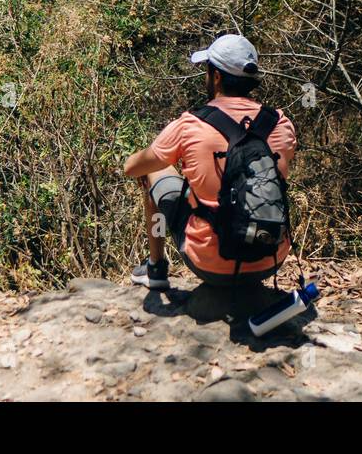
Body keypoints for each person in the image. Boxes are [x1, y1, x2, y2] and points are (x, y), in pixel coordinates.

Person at [122, 33, 297, 290]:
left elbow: (131, 168)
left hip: (210, 263)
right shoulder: (281, 122)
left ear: (216, 77)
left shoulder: (191, 123)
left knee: (153, 173)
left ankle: (156, 267)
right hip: (271, 258)